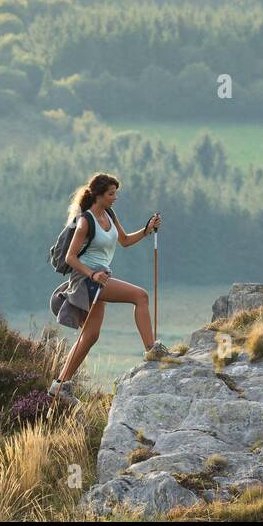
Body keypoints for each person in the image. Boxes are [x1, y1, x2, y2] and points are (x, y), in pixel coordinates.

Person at [47, 173, 164, 404]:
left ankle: (59, 385)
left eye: (115, 193)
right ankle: (152, 351)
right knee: (140, 296)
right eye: (111, 194)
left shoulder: (109, 214)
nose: (115, 198)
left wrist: (147, 229)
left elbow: (125, 240)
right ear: (98, 195)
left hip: (100, 278)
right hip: (87, 279)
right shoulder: (85, 221)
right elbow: (70, 257)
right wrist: (92, 274)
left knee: (90, 336)